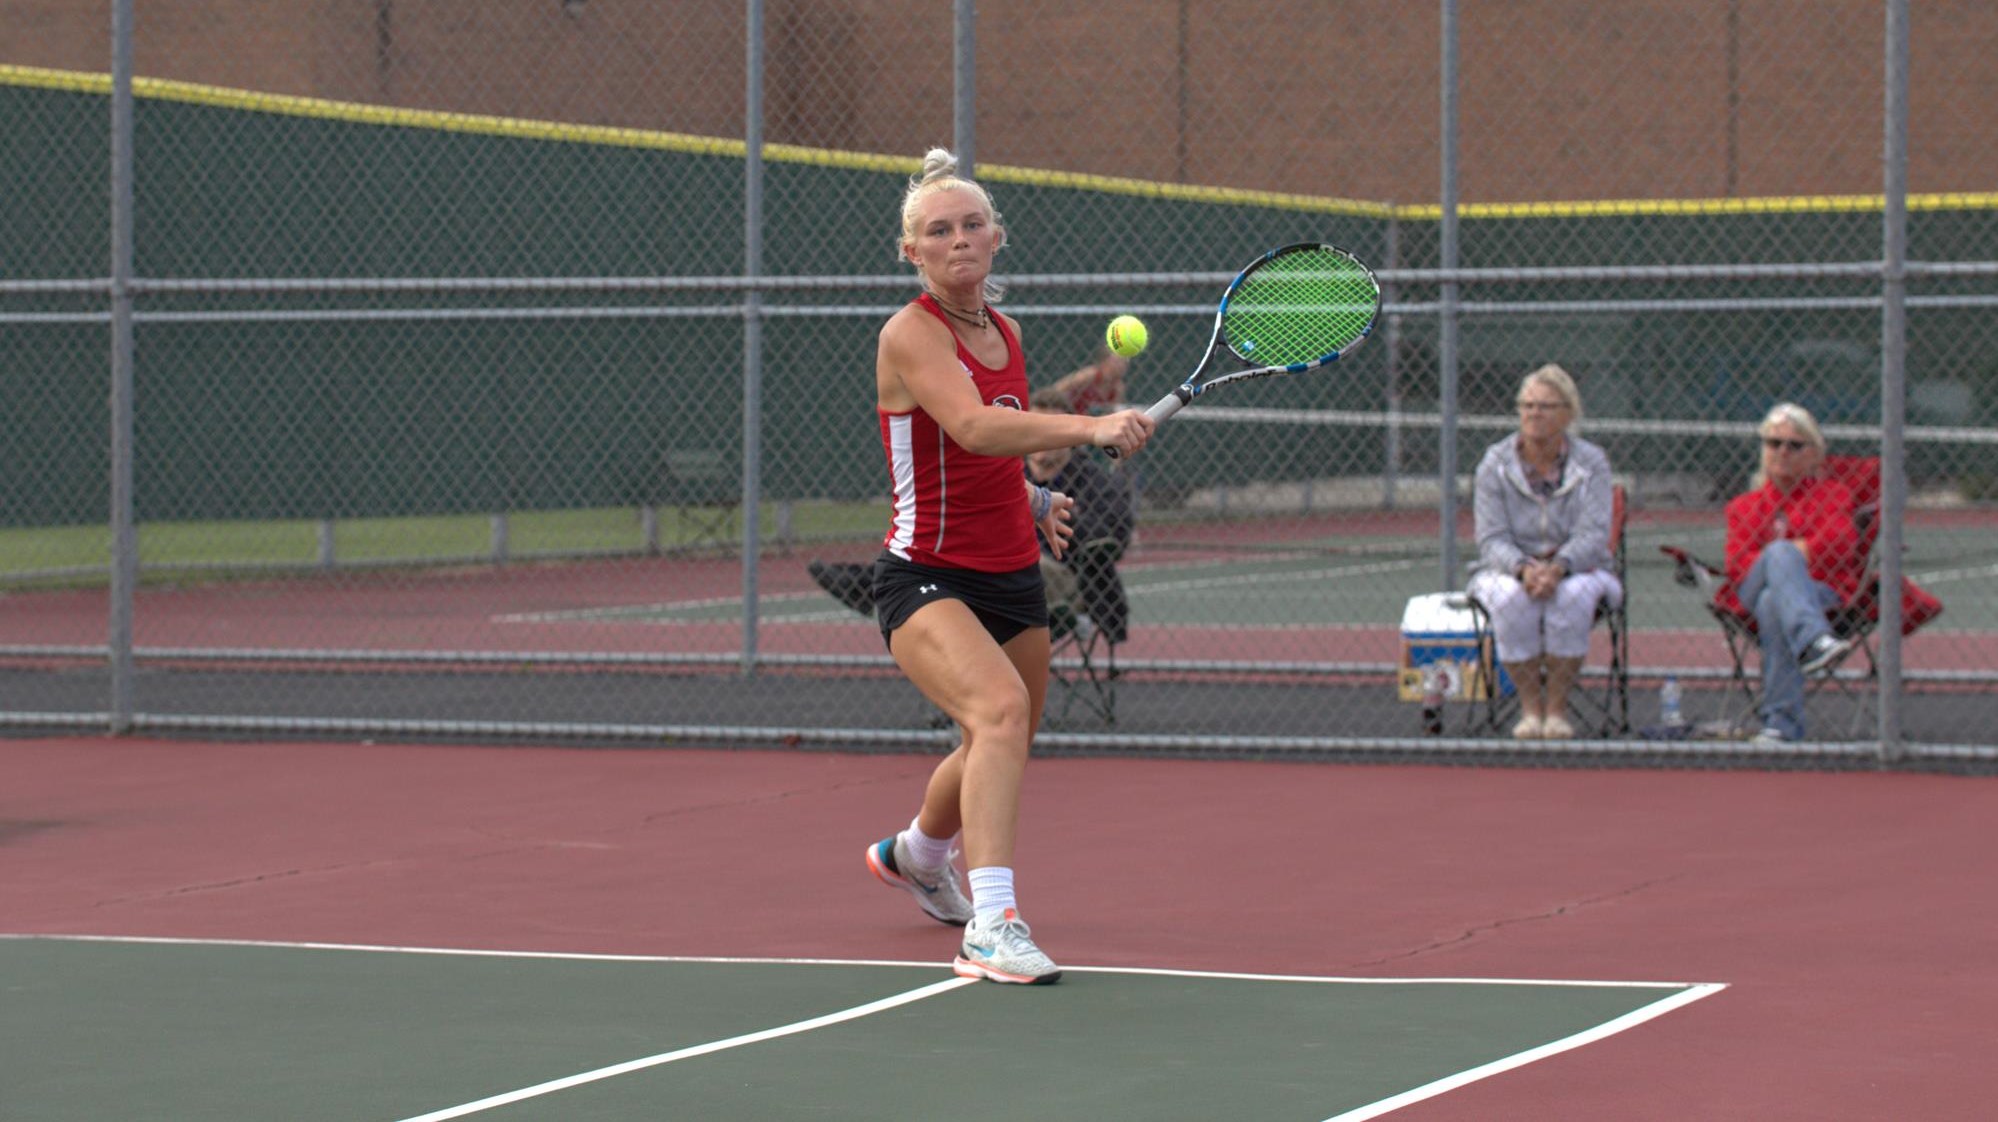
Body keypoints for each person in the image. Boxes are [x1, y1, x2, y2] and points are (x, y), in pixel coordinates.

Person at [862, 148, 1153, 985]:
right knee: (996, 714)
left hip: (1010, 571)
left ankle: (918, 853)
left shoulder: (1008, 333)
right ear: (911, 252)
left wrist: (1031, 502)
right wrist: (1089, 429)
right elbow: (973, 428)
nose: (958, 240)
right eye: (937, 231)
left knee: (1005, 731)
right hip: (924, 575)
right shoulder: (909, 332)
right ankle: (993, 923)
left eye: (971, 224)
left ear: (997, 238)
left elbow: (992, 451)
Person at [1466, 364, 1622, 740]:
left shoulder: (1593, 463)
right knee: (1508, 599)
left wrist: (1559, 568)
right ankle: (1529, 710)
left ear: (1568, 413)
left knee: (1573, 597)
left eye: (1546, 406)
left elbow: (1594, 534)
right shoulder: (1494, 464)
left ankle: (1557, 711)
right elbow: (1491, 538)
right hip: (1507, 570)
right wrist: (1523, 569)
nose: (1534, 413)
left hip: (1580, 570)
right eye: (1528, 405)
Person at [1721, 402, 1861, 745]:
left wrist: (1783, 562)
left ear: (1814, 455)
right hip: (1751, 593)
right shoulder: (1744, 506)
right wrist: (1789, 555)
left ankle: (1781, 725)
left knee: (1774, 601)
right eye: (1773, 443)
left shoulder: (1834, 495)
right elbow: (1738, 565)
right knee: (1778, 557)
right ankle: (1813, 641)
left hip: (1821, 592)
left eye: (1794, 445)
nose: (1782, 451)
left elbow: (1841, 545)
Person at [1024, 388, 1136, 643]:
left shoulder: (1096, 482)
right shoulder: (1008, 473)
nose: (1043, 437)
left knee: (1028, 563)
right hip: (1000, 573)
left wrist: (1066, 517)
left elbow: (1114, 538)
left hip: (1072, 580)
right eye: (1036, 428)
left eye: (1053, 428)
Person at [1044, 343, 1129, 415]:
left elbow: (1113, 413)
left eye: (1124, 362)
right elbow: (1058, 387)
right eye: (1117, 361)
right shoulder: (1089, 375)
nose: (1121, 366)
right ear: (1104, 361)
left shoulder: (1118, 388)